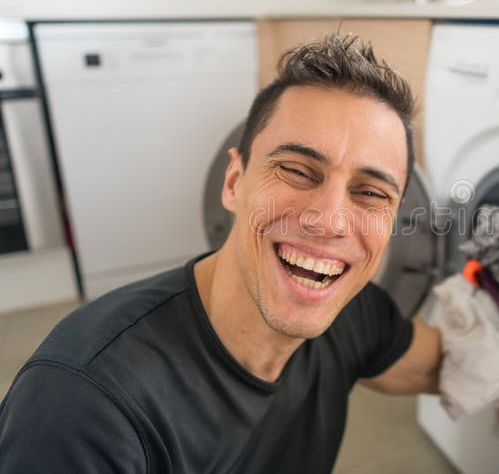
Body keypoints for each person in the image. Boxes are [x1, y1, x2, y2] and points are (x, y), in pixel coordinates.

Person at [0, 33, 443, 473]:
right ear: (234, 181)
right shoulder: (84, 402)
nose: (330, 221)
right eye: (296, 170)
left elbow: (447, 365)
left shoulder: (355, 317)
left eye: (370, 193)